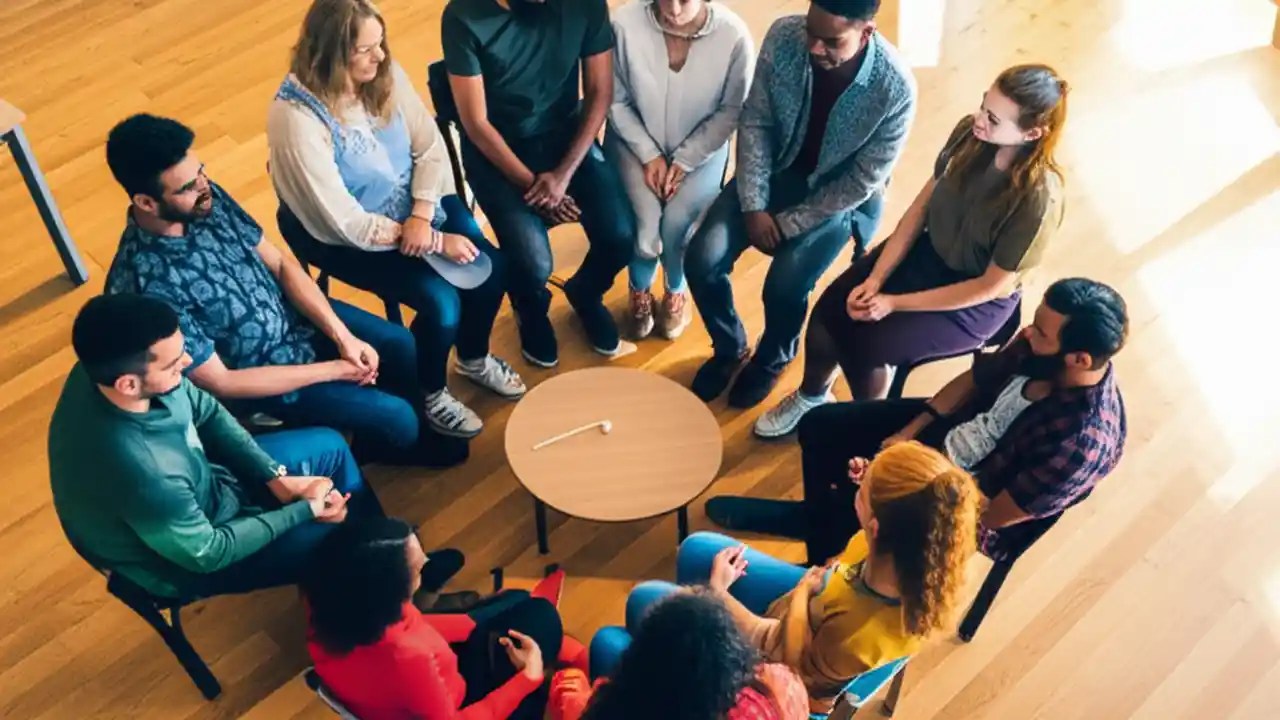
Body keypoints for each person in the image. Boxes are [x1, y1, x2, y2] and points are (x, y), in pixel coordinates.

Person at [103, 113, 470, 469]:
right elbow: (222, 382)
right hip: (264, 375)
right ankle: (390, 439)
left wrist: (343, 338)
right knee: (398, 415)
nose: (203, 186)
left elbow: (279, 264)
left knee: (400, 345)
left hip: (293, 315)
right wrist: (335, 370)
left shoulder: (203, 201)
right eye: (186, 186)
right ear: (146, 202)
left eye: (200, 172)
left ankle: (388, 424)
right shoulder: (145, 287)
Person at [47, 294, 464, 601]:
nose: (189, 364)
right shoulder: (141, 471)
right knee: (343, 544)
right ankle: (398, 597)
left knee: (332, 448)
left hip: (208, 487)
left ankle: (388, 564)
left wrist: (276, 479)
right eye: (175, 365)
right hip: (187, 559)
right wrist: (302, 510)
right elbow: (209, 553)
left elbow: (206, 410)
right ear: (129, 384)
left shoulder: (109, 368)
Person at [710, 278, 1129, 567]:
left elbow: (992, 515)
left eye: (1041, 333)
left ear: (1080, 360)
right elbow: (972, 381)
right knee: (821, 426)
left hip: (967, 499)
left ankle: (825, 555)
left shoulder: (1080, 444)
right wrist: (906, 435)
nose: (1028, 334)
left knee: (868, 500)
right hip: (954, 434)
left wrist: (904, 473)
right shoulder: (1040, 348)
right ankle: (822, 530)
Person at [755, 64, 1070, 438]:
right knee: (829, 311)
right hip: (927, 253)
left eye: (994, 119)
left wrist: (892, 303)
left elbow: (989, 287)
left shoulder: (1038, 199)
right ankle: (812, 396)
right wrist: (876, 279)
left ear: (1032, 133)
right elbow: (920, 209)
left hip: (972, 298)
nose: (980, 121)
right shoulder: (968, 135)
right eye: (984, 105)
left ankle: (861, 426)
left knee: (865, 346)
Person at [268, 0, 524, 440]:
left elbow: (428, 146)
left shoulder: (380, 73)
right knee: (442, 304)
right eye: (366, 50)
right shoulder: (296, 120)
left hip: (416, 207)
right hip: (346, 236)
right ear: (331, 54)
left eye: (380, 43)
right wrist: (434, 240)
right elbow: (345, 221)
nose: (380, 56)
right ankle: (431, 390)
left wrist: (424, 215)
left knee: (493, 268)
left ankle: (473, 356)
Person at [607, 441, 980, 712]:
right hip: (814, 602)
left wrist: (716, 595)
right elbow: (838, 572)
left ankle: (649, 680)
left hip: (787, 668)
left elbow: (784, 660)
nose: (859, 482)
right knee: (696, 549)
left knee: (645, 604)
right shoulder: (920, 548)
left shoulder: (858, 636)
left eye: (865, 491)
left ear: (877, 526)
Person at [685, 0, 916, 408]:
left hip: (833, 200)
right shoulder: (784, 36)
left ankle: (774, 357)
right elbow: (756, 120)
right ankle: (730, 347)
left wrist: (789, 224)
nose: (813, 47)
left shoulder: (895, 89)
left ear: (867, 32)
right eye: (811, 31)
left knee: (785, 284)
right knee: (702, 258)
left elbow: (861, 180)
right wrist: (754, 204)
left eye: (831, 41)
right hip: (769, 175)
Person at [442, 0, 636, 367]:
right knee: (533, 262)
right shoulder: (462, 16)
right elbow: (476, 124)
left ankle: (585, 292)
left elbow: (599, 92)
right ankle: (529, 309)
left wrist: (561, 177)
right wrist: (535, 186)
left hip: (565, 136)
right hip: (497, 150)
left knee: (620, 236)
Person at [304, 517, 564, 720]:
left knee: (517, 600)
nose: (426, 562)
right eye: (418, 568)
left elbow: (411, 621)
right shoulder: (408, 658)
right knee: (544, 618)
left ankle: (484, 609)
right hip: (456, 697)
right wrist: (526, 680)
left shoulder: (332, 601)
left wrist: (472, 622)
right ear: (390, 590)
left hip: (408, 682)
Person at [606, 0, 754, 340]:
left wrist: (687, 158)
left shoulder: (734, 36)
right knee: (644, 229)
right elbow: (615, 101)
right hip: (634, 142)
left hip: (703, 147)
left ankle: (675, 290)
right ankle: (639, 289)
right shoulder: (624, 24)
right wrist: (648, 154)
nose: (672, 9)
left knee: (679, 229)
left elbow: (732, 111)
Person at [549, 589, 809, 720]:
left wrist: (565, 676)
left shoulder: (619, 704)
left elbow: (575, 702)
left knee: (605, 641)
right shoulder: (777, 687)